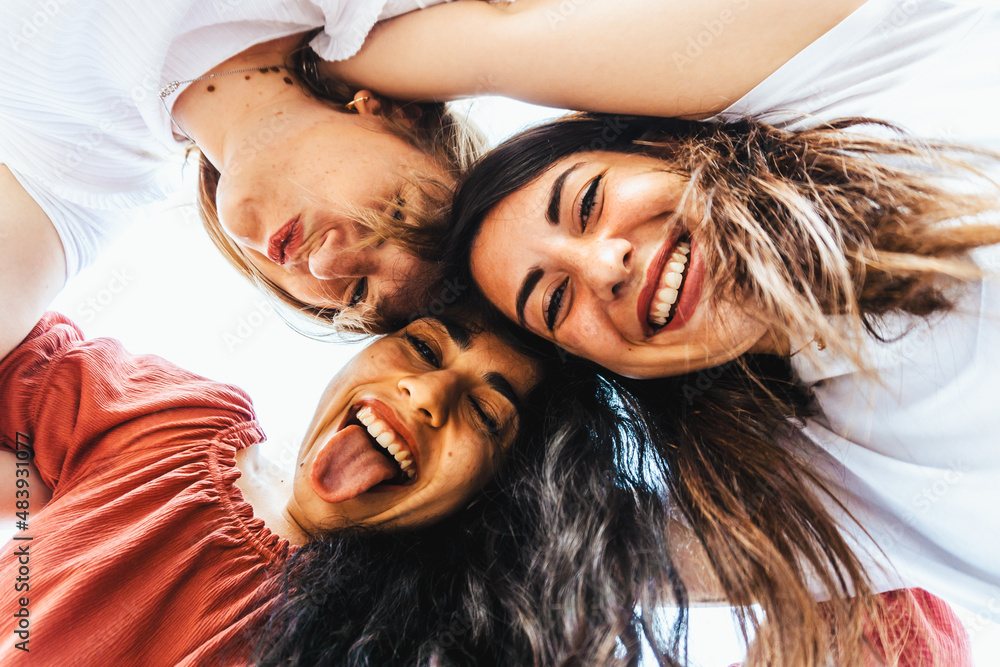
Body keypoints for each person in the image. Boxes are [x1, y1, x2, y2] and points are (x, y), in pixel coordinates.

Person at [437, 112, 1000, 664]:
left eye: (587, 203)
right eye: (556, 301)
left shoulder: (930, 139)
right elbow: (543, 564)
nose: (606, 266)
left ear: (663, 146)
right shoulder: (805, 488)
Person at [0, 311, 681, 665]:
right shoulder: (179, 421)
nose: (425, 393)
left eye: (484, 413)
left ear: (492, 496)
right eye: (422, 347)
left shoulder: (403, 645)